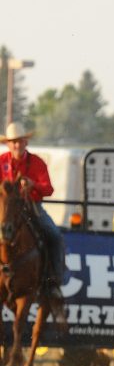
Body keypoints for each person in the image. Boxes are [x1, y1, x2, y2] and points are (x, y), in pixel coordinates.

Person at [0, 122, 64, 297]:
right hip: (5, 209)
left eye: (20, 141)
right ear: (8, 144)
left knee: (54, 235)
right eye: (13, 142)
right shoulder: (1, 161)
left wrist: (33, 184)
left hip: (31, 207)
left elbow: (48, 189)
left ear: (25, 143)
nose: (17, 145)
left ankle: (54, 281)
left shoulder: (36, 162)